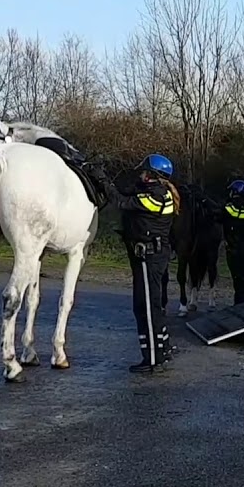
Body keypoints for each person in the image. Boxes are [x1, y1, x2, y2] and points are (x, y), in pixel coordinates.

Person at [87, 152, 180, 373]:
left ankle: (153, 359)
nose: (141, 175)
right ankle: (163, 347)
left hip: (148, 257)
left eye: (145, 171)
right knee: (152, 305)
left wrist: (101, 179)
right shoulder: (162, 192)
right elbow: (129, 193)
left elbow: (120, 201)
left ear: (153, 176)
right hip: (154, 256)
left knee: (146, 307)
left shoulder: (154, 197)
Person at [220, 179, 244, 304]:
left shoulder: (231, 208)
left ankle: (241, 303)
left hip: (235, 248)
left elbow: (219, 214)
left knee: (238, 276)